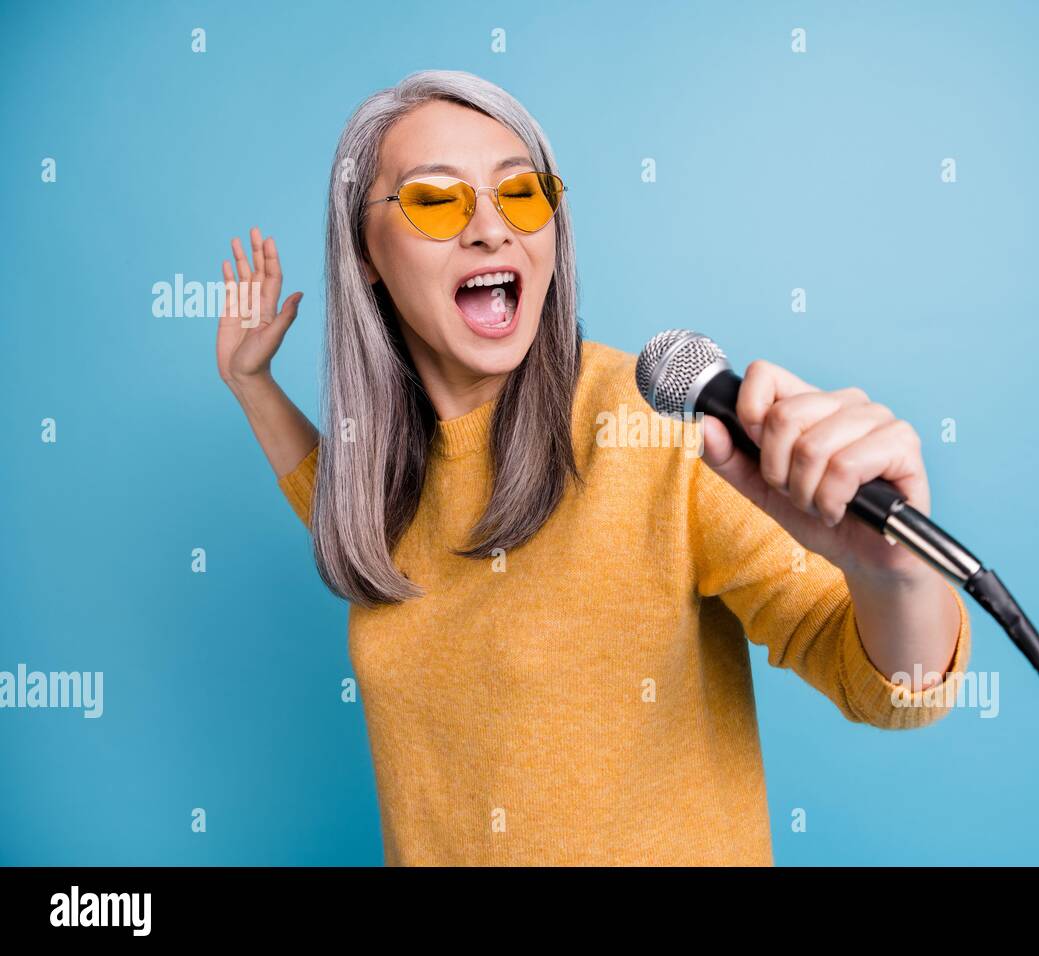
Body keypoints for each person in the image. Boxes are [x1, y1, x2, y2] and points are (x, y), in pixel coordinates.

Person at [216, 69, 971, 866]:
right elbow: (340, 504)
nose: (489, 229)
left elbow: (886, 683)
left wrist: (898, 578)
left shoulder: (650, 429)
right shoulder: (386, 480)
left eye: (522, 195)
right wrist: (250, 382)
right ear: (364, 251)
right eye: (436, 201)